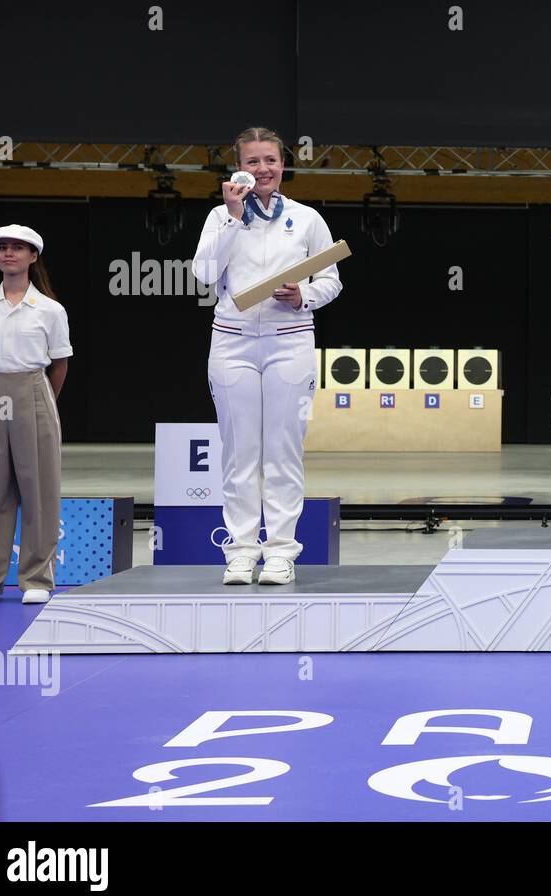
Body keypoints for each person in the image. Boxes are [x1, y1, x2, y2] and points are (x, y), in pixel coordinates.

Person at [191, 127, 342, 585]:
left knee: (283, 450)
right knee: (240, 452)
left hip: (289, 339)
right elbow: (203, 274)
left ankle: (279, 552)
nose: (263, 170)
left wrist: (304, 295)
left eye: (270, 160)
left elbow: (331, 280)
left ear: (283, 164)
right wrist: (235, 218)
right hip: (232, 341)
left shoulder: (307, 218)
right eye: (253, 161)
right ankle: (238, 552)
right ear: (237, 167)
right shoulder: (220, 217)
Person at [0, 225, 71, 606]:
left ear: (33, 256)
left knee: (38, 489)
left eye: (17, 248)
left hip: (34, 390)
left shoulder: (50, 309)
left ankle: (36, 576)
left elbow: (59, 363)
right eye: (2, 248)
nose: (9, 254)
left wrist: (39, 400)